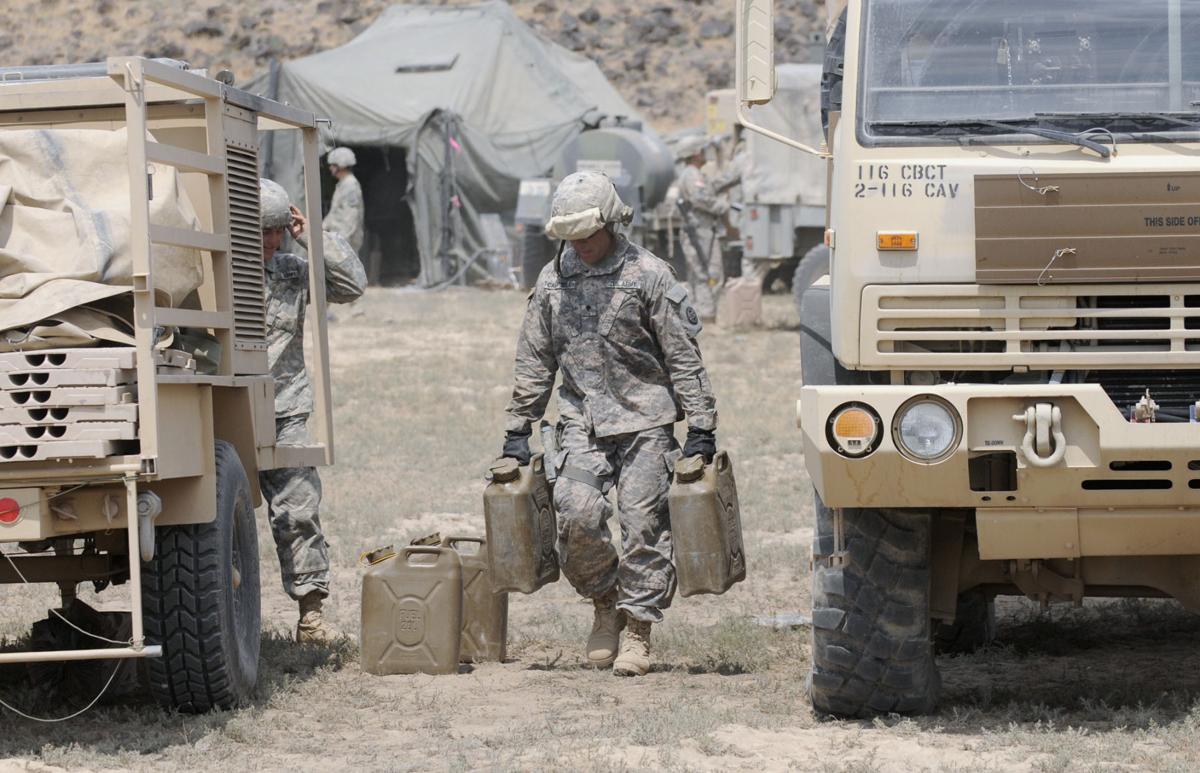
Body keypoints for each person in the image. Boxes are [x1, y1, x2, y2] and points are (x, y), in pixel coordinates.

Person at [501, 171, 719, 677]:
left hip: (647, 421)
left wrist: (702, 428)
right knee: (575, 515)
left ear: (614, 222)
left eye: (589, 235)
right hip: (583, 421)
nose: (582, 246)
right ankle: (605, 602)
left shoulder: (650, 275)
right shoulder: (553, 280)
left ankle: (638, 629)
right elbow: (535, 360)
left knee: (645, 525)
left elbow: (683, 357)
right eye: (571, 238)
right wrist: (518, 428)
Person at [259, 179, 367, 644]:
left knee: (298, 513)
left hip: (285, 409)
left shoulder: (289, 270)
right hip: (219, 412)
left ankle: (311, 614)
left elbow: (350, 285)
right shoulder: (212, 271)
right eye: (262, 231)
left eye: (277, 231)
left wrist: (311, 236)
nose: (270, 241)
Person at [675, 135, 729, 322]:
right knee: (708, 272)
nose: (706, 153)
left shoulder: (694, 174)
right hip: (700, 232)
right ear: (697, 154)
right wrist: (721, 206)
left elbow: (710, 187)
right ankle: (705, 314)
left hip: (702, 231)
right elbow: (700, 198)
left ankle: (701, 313)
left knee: (701, 273)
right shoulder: (691, 175)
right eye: (703, 150)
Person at [325, 147, 365, 253]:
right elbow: (334, 212)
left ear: (341, 166)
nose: (330, 168)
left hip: (345, 241)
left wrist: (342, 241)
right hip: (336, 238)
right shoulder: (342, 184)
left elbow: (351, 217)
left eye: (333, 165)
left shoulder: (350, 185)